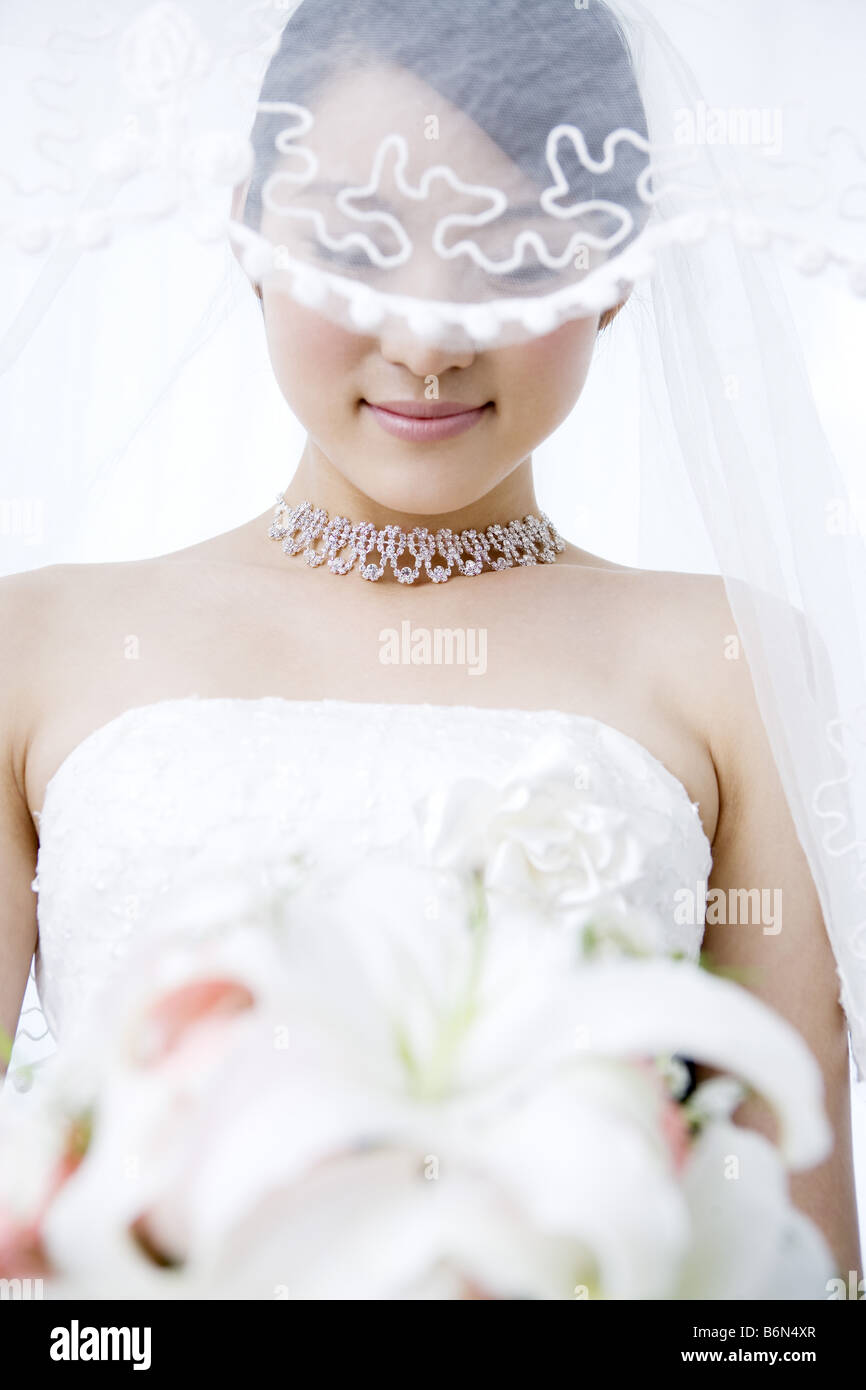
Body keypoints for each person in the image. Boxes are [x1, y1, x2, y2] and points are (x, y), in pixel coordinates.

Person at [0, 0, 862, 1289]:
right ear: (248, 225)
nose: (427, 338)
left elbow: (793, 1271)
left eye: (516, 258)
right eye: (355, 243)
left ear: (619, 264)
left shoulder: (729, 660)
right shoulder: (38, 643)